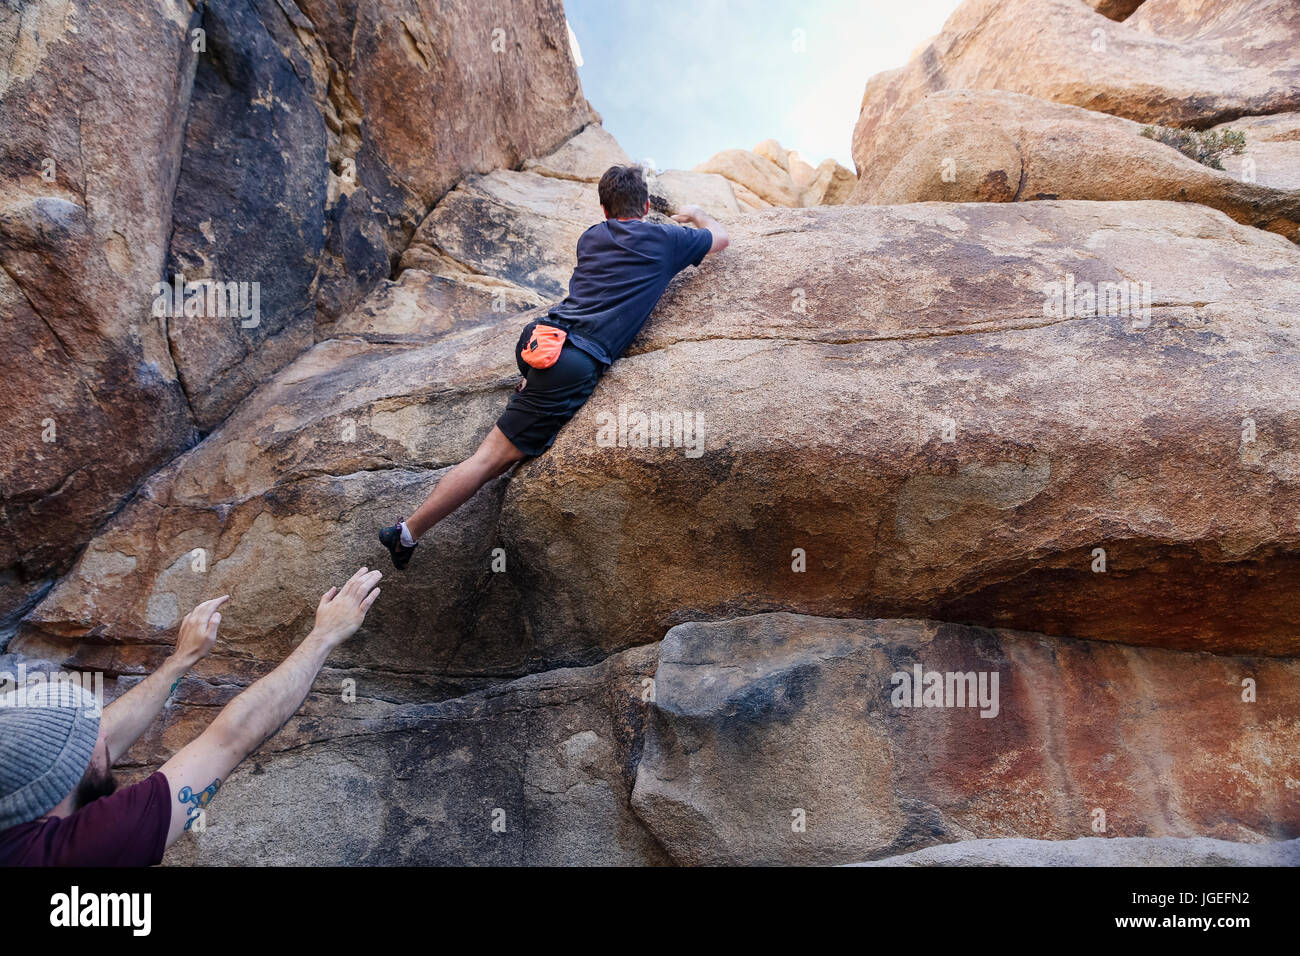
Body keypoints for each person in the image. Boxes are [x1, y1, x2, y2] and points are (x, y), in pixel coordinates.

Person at [378, 164, 730, 569]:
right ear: (647, 205)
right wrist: (698, 213)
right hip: (573, 359)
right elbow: (721, 239)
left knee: (503, 458)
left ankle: (530, 389)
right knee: (487, 461)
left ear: (603, 208)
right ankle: (406, 534)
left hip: (540, 339)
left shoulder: (592, 236)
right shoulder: (667, 239)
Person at [0, 567, 382, 866]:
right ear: (56, 784)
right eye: (90, 737)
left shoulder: (17, 806)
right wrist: (323, 637)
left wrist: (180, 662)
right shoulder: (77, 853)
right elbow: (229, 739)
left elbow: (97, 744)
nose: (104, 734)